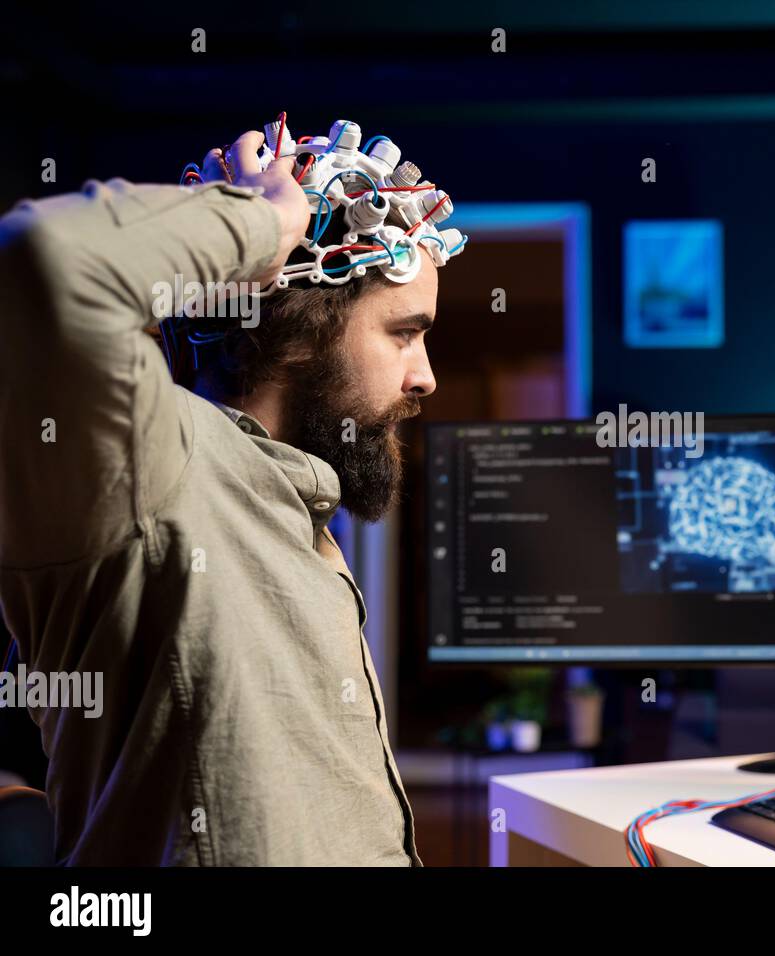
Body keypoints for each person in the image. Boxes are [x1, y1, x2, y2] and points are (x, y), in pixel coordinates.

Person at [0, 127, 447, 864]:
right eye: (405, 333)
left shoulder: (300, 512)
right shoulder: (147, 465)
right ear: (304, 332)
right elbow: (40, 264)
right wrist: (266, 223)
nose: (425, 376)